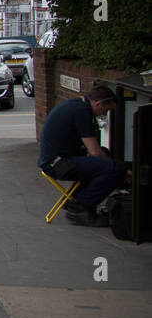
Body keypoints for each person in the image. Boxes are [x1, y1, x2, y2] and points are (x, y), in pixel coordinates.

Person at [38, 85, 129, 226]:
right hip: (58, 165)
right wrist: (125, 172)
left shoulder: (75, 105)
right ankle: (81, 208)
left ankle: (76, 200)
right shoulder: (82, 112)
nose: (103, 114)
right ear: (99, 104)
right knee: (115, 168)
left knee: (106, 159)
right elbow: (95, 152)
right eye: (105, 110)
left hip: (56, 160)